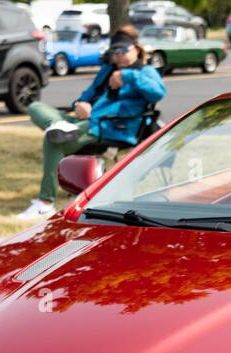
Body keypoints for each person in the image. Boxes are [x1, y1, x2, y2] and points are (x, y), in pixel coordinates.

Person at [19, 26, 165, 220]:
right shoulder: (107, 71)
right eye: (116, 52)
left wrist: (127, 76)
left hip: (110, 127)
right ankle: (59, 125)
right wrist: (80, 104)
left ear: (136, 50)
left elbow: (157, 93)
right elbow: (86, 95)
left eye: (124, 51)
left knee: (53, 140)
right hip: (85, 120)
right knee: (36, 107)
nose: (119, 56)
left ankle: (46, 203)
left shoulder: (144, 72)